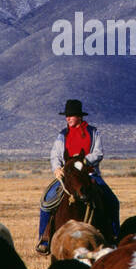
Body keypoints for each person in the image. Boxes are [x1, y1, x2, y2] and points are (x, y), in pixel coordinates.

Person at [37, 99, 119, 252]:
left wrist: (84, 160)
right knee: (46, 202)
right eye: (67, 116)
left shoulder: (93, 132)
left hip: (89, 173)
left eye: (71, 115)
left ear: (79, 116)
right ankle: (45, 238)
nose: (68, 118)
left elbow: (99, 153)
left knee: (113, 202)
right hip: (67, 174)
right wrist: (56, 169)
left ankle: (114, 236)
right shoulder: (62, 134)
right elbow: (55, 154)